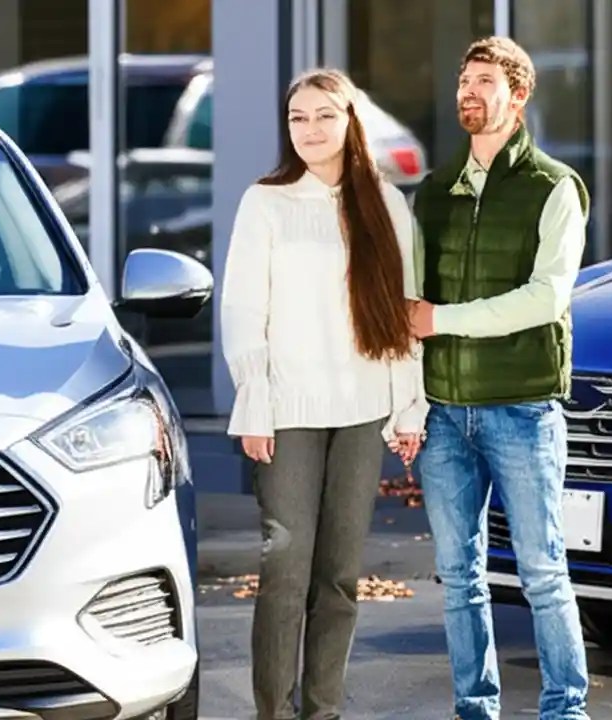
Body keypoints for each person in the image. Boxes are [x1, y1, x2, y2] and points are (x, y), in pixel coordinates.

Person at [219, 67, 429, 720]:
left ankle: (323, 711)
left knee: (338, 577)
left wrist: (407, 408)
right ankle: (273, 713)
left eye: (322, 116)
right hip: (286, 416)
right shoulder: (266, 201)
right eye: (297, 118)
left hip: (362, 413)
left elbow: (399, 317)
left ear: (350, 122)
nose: (308, 129)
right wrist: (254, 401)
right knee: (285, 571)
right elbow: (242, 310)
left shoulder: (385, 204)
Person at [407, 37, 591, 720]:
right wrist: (408, 406)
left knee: (543, 572)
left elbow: (546, 299)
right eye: (463, 79)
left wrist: (442, 320)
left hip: (521, 409)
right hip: (444, 415)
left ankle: (564, 709)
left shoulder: (554, 188)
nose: (468, 92)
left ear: (518, 96)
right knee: (459, 579)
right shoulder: (434, 193)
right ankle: (474, 709)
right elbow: (406, 310)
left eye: (484, 80)